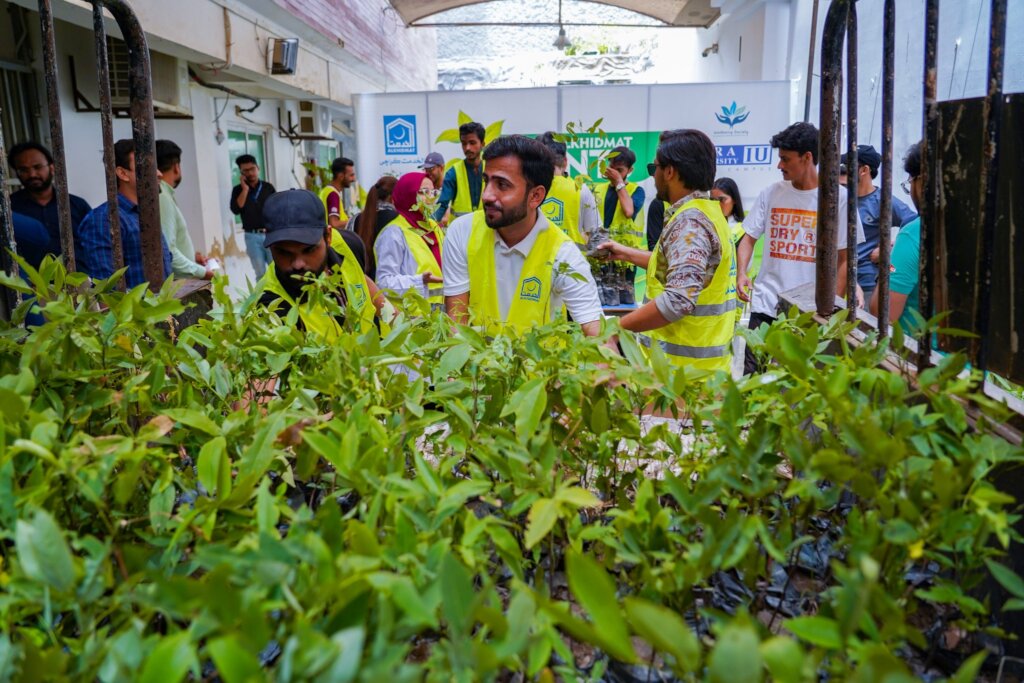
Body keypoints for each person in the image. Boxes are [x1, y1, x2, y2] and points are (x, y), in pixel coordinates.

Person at [598, 130, 737, 374]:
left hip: (680, 375)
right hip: (703, 370)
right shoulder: (709, 213)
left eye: (655, 169)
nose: (654, 177)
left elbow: (678, 298)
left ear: (670, 172)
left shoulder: (690, 223)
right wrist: (624, 253)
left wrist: (617, 330)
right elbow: (684, 270)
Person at [442, 135, 603, 337]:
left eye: (502, 185)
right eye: (486, 181)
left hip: (542, 368)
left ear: (535, 196)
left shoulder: (563, 254)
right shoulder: (462, 232)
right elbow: (456, 322)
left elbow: (595, 329)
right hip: (476, 368)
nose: (486, 195)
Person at [737, 122, 865, 375]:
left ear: (807, 157)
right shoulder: (771, 193)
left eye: (785, 159)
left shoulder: (837, 199)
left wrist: (828, 309)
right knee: (754, 378)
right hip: (766, 305)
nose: (779, 166)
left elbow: (843, 259)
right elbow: (748, 239)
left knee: (795, 382)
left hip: (808, 313)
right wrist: (742, 272)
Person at [258, 189, 385, 339]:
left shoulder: (348, 244)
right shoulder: (271, 306)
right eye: (284, 253)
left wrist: (394, 316)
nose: (298, 264)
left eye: (309, 249)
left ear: (328, 236)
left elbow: (360, 277)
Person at [76, 139, 172, 288]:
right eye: (148, 166)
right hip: (135, 311)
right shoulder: (104, 219)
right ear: (122, 173)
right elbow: (107, 286)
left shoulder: (145, 215)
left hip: (160, 309)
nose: (159, 174)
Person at [839, 144, 917, 304]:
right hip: (839, 278)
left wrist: (890, 248)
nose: (843, 170)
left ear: (864, 170)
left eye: (848, 166)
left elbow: (915, 224)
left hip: (867, 282)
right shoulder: (841, 197)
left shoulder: (882, 201)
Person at [870, 141, 924, 331]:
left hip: (917, 353)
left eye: (911, 182)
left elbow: (882, 311)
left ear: (922, 181)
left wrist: (888, 260)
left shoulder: (914, 233)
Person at [373, 172, 444, 310]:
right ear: (408, 195)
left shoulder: (434, 227)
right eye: (424, 192)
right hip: (410, 318)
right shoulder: (393, 232)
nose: (431, 198)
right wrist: (419, 281)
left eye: (433, 192)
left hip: (440, 314)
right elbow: (384, 283)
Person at [8, 141, 91, 258]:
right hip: (29, 276)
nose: (32, 174)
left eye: (37, 167)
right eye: (23, 170)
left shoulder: (76, 205)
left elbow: (93, 244)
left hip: (78, 275)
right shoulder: (10, 208)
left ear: (52, 168)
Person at [593, 145, 645, 305]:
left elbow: (629, 211)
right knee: (599, 307)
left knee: (624, 307)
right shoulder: (596, 189)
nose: (614, 173)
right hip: (600, 258)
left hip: (624, 261)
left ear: (630, 170)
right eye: (611, 168)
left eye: (619, 170)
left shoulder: (637, 190)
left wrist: (618, 183)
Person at [156, 140, 211, 280]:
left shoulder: (165, 194)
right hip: (179, 285)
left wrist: (192, 258)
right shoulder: (161, 195)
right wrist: (202, 272)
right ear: (176, 167)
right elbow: (168, 251)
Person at [537, 131, 600, 247]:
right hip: (573, 262)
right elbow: (596, 235)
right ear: (565, 162)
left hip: (537, 261)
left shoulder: (528, 188)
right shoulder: (581, 188)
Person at [230, 154, 276, 280]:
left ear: (258, 168)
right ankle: (263, 299)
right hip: (252, 237)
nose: (250, 173)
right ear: (241, 173)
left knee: (276, 270)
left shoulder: (268, 188)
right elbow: (236, 209)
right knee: (260, 273)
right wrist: (245, 190)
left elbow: (277, 209)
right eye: (246, 170)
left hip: (270, 235)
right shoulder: (238, 190)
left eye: (252, 169)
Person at [433, 122, 485, 222]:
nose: (467, 148)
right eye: (464, 143)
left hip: (485, 232)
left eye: (472, 143)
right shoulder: (453, 173)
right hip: (459, 234)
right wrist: (427, 226)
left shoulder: (491, 169)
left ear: (482, 144)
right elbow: (442, 205)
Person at [353, 175, 398, 278]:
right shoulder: (398, 220)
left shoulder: (355, 219)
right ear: (394, 196)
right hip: (389, 287)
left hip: (361, 283)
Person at [319, 157, 356, 231]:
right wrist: (355, 221)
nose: (354, 179)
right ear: (341, 176)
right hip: (334, 241)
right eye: (351, 175)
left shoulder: (325, 191)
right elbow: (334, 224)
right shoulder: (333, 195)